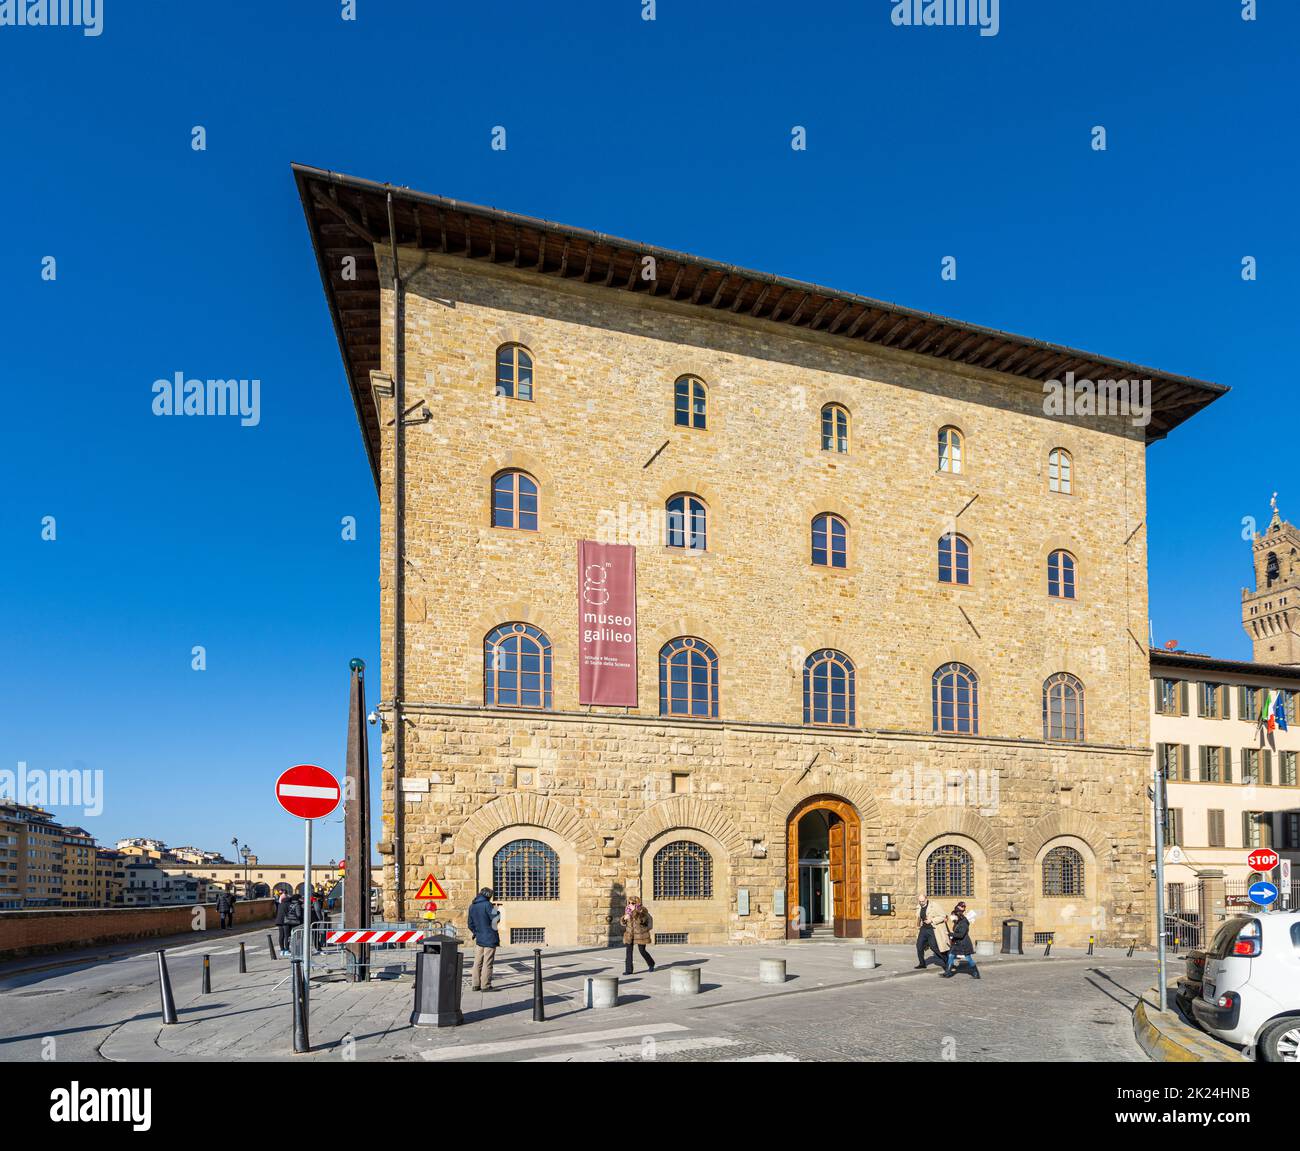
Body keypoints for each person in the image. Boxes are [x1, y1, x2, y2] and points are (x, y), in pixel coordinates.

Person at [467, 887, 500, 992]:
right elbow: (495, 919)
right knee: (487, 962)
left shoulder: (472, 906)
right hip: (490, 937)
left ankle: (475, 985)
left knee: (477, 962)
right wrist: (496, 910)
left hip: (479, 938)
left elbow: (470, 924)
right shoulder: (488, 905)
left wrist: (476, 932)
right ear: (488, 895)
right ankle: (485, 986)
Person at [942, 902, 980, 979]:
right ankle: (948, 972)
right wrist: (946, 922)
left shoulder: (964, 923)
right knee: (951, 956)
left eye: (953, 915)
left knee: (968, 958)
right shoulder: (957, 922)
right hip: (957, 943)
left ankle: (976, 973)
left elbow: (961, 935)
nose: (952, 917)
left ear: (957, 915)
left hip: (964, 944)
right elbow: (955, 930)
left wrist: (950, 934)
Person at [621, 894, 655, 975]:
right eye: (629, 903)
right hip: (630, 934)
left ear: (636, 903)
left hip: (640, 934)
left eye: (632, 903)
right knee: (628, 952)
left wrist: (635, 911)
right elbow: (623, 922)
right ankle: (628, 970)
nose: (630, 905)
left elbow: (642, 920)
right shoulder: (627, 910)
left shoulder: (642, 910)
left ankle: (651, 963)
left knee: (642, 951)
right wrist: (624, 919)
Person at [914, 896, 947, 969]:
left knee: (934, 947)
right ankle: (922, 963)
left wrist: (931, 920)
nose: (921, 903)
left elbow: (943, 916)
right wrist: (918, 925)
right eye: (920, 901)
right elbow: (919, 917)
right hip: (923, 929)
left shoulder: (934, 905)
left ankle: (947, 961)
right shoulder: (919, 906)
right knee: (919, 946)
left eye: (923, 901)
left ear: (926, 899)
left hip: (932, 928)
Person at [281, 891, 304, 957]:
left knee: (287, 936)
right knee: (296, 937)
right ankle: (295, 950)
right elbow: (299, 914)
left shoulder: (289, 904)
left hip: (286, 921)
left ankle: (286, 950)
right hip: (295, 922)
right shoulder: (298, 905)